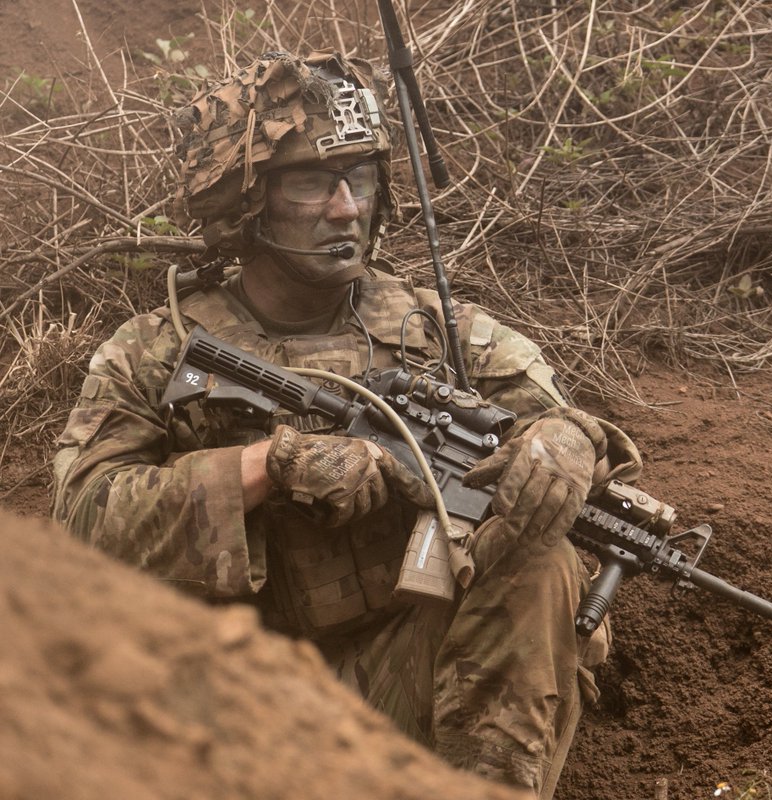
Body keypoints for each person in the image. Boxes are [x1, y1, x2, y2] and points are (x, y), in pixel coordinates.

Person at [51, 51, 641, 798]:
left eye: (359, 178)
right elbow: (80, 525)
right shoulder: (155, 349)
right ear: (247, 201)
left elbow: (568, 425)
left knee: (543, 558)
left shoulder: (436, 331)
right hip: (224, 723)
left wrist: (569, 442)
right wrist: (275, 465)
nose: (345, 208)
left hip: (394, 683)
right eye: (310, 182)